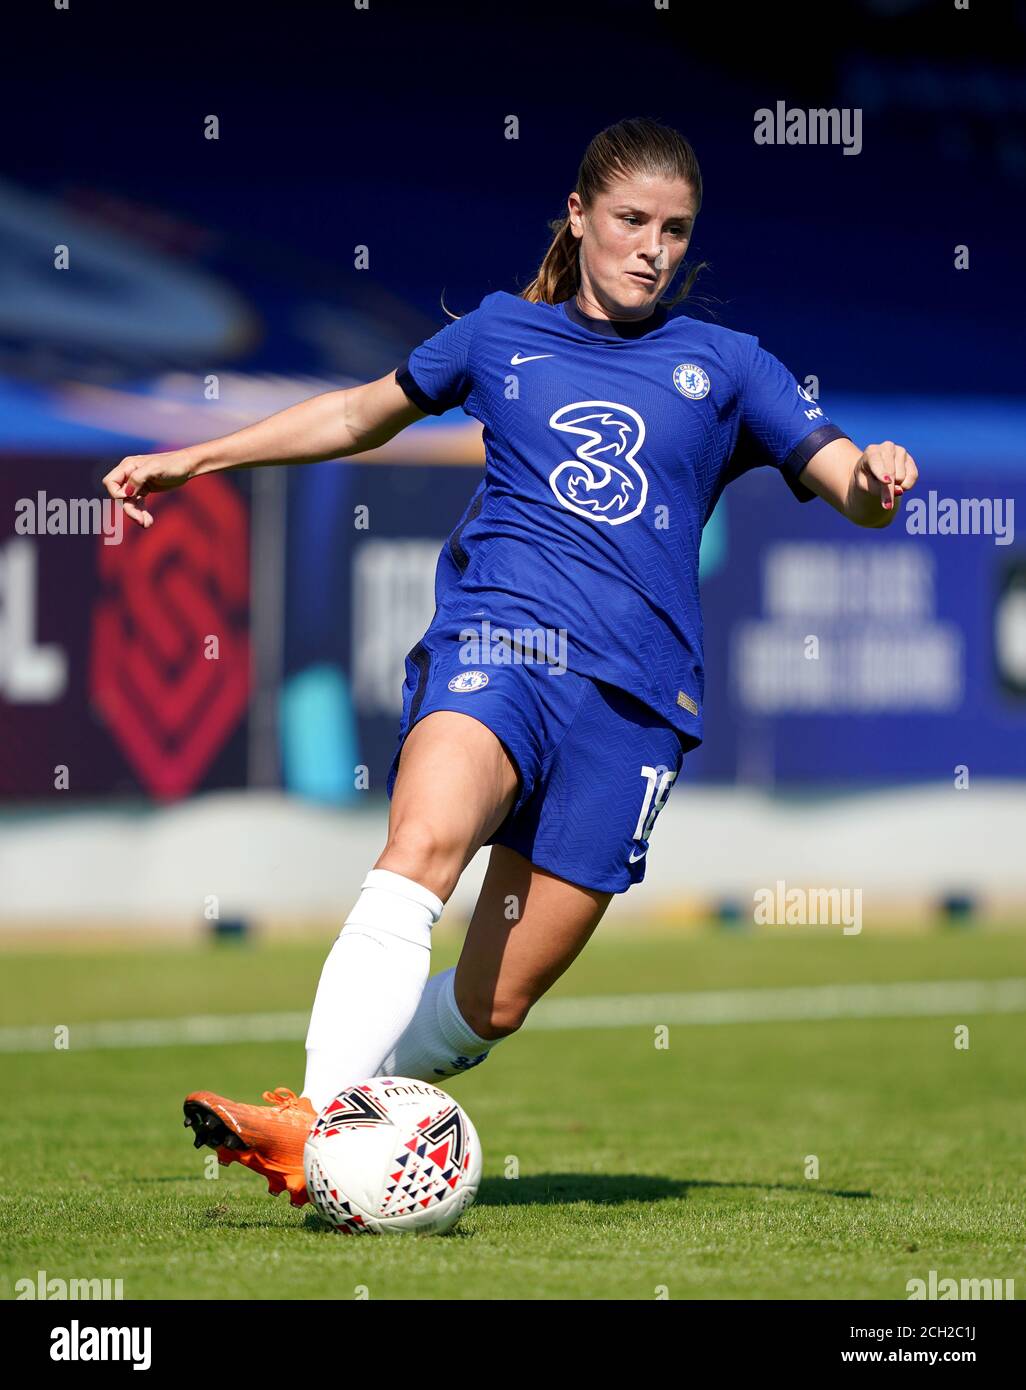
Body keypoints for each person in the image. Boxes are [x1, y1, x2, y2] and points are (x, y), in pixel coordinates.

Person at [103, 117, 918, 1208]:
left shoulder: (729, 367)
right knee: (423, 844)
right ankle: (310, 1120)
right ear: (577, 217)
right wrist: (201, 453)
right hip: (501, 642)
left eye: (675, 230)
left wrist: (877, 480)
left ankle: (359, 1107)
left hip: (636, 708)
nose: (652, 248)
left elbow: (845, 481)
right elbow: (356, 412)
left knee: (496, 1002)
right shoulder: (497, 334)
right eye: (630, 221)